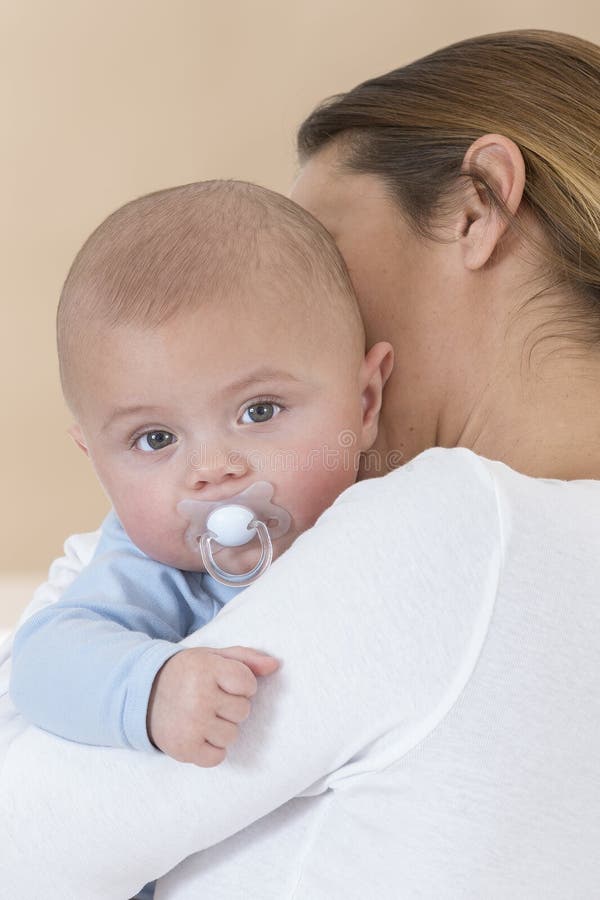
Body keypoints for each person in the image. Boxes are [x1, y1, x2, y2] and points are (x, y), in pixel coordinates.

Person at [1, 28, 599, 900]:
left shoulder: (452, 527)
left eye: (318, 243)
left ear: (478, 205)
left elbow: (19, 842)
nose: (274, 308)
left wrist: (78, 584)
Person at [8, 179, 392, 768]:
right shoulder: (154, 570)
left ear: (364, 403)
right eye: (155, 439)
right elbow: (41, 665)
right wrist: (154, 687)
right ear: (97, 463)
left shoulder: (400, 507)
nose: (213, 470)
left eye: (259, 411)